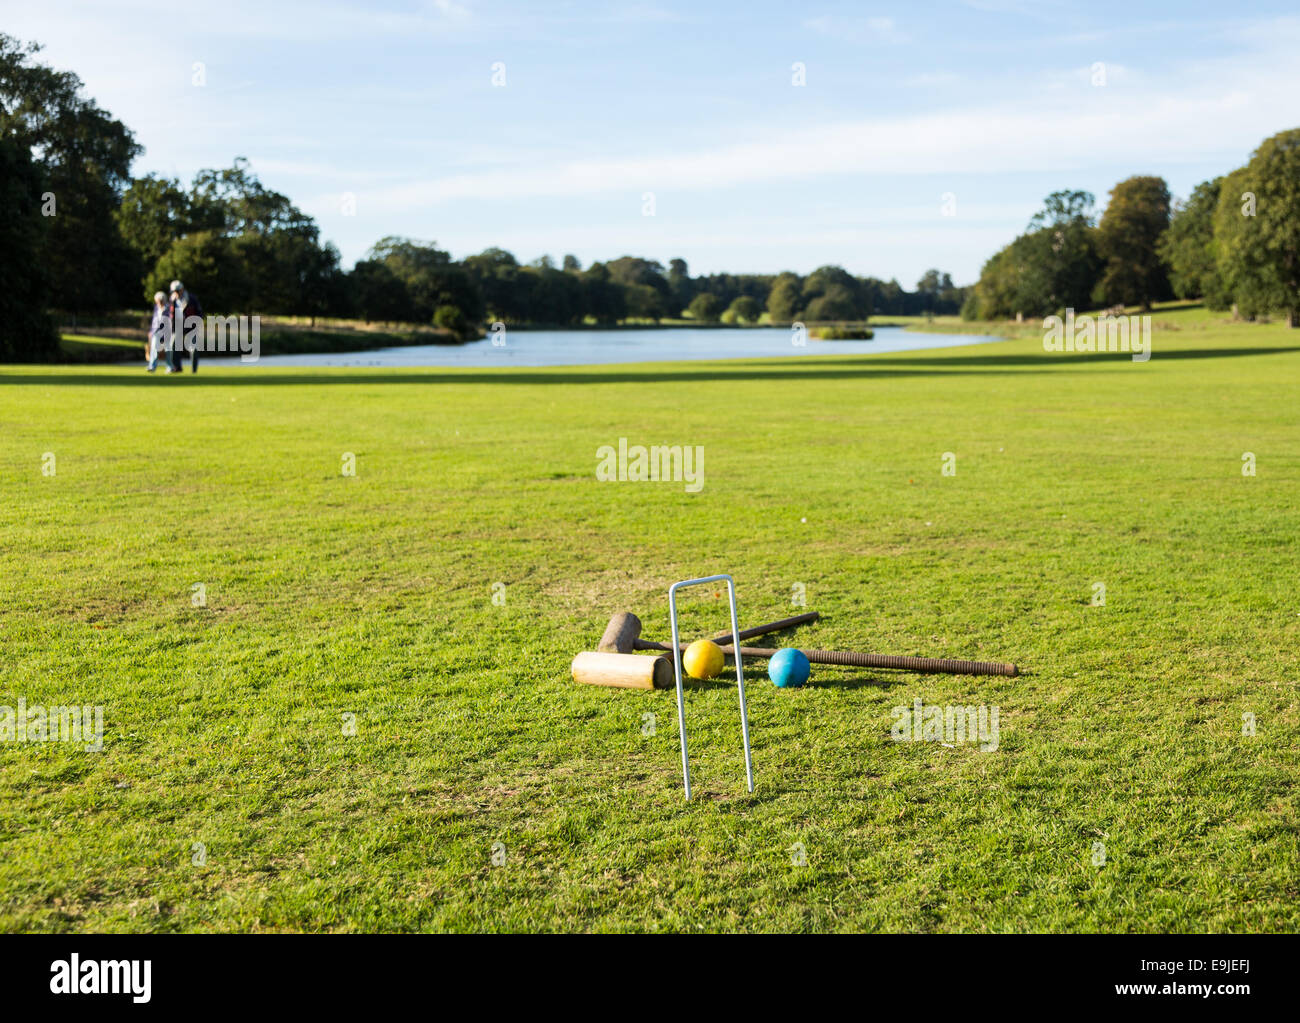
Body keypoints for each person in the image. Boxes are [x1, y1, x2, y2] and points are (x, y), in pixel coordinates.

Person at [167, 279, 203, 374]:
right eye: (174, 291)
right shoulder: (172, 300)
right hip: (177, 326)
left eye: (177, 291)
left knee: (194, 348)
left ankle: (194, 371)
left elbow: (199, 312)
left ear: (182, 289)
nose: (176, 293)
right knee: (173, 346)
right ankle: (177, 367)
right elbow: (170, 315)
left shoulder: (192, 299)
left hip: (191, 326)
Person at [146, 291, 168, 372]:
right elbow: (154, 321)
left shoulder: (168, 308)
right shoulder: (156, 308)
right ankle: (152, 366)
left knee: (168, 350)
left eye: (160, 300)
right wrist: (151, 331)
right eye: (158, 300)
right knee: (154, 349)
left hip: (167, 332)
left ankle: (170, 367)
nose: (159, 302)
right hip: (156, 331)